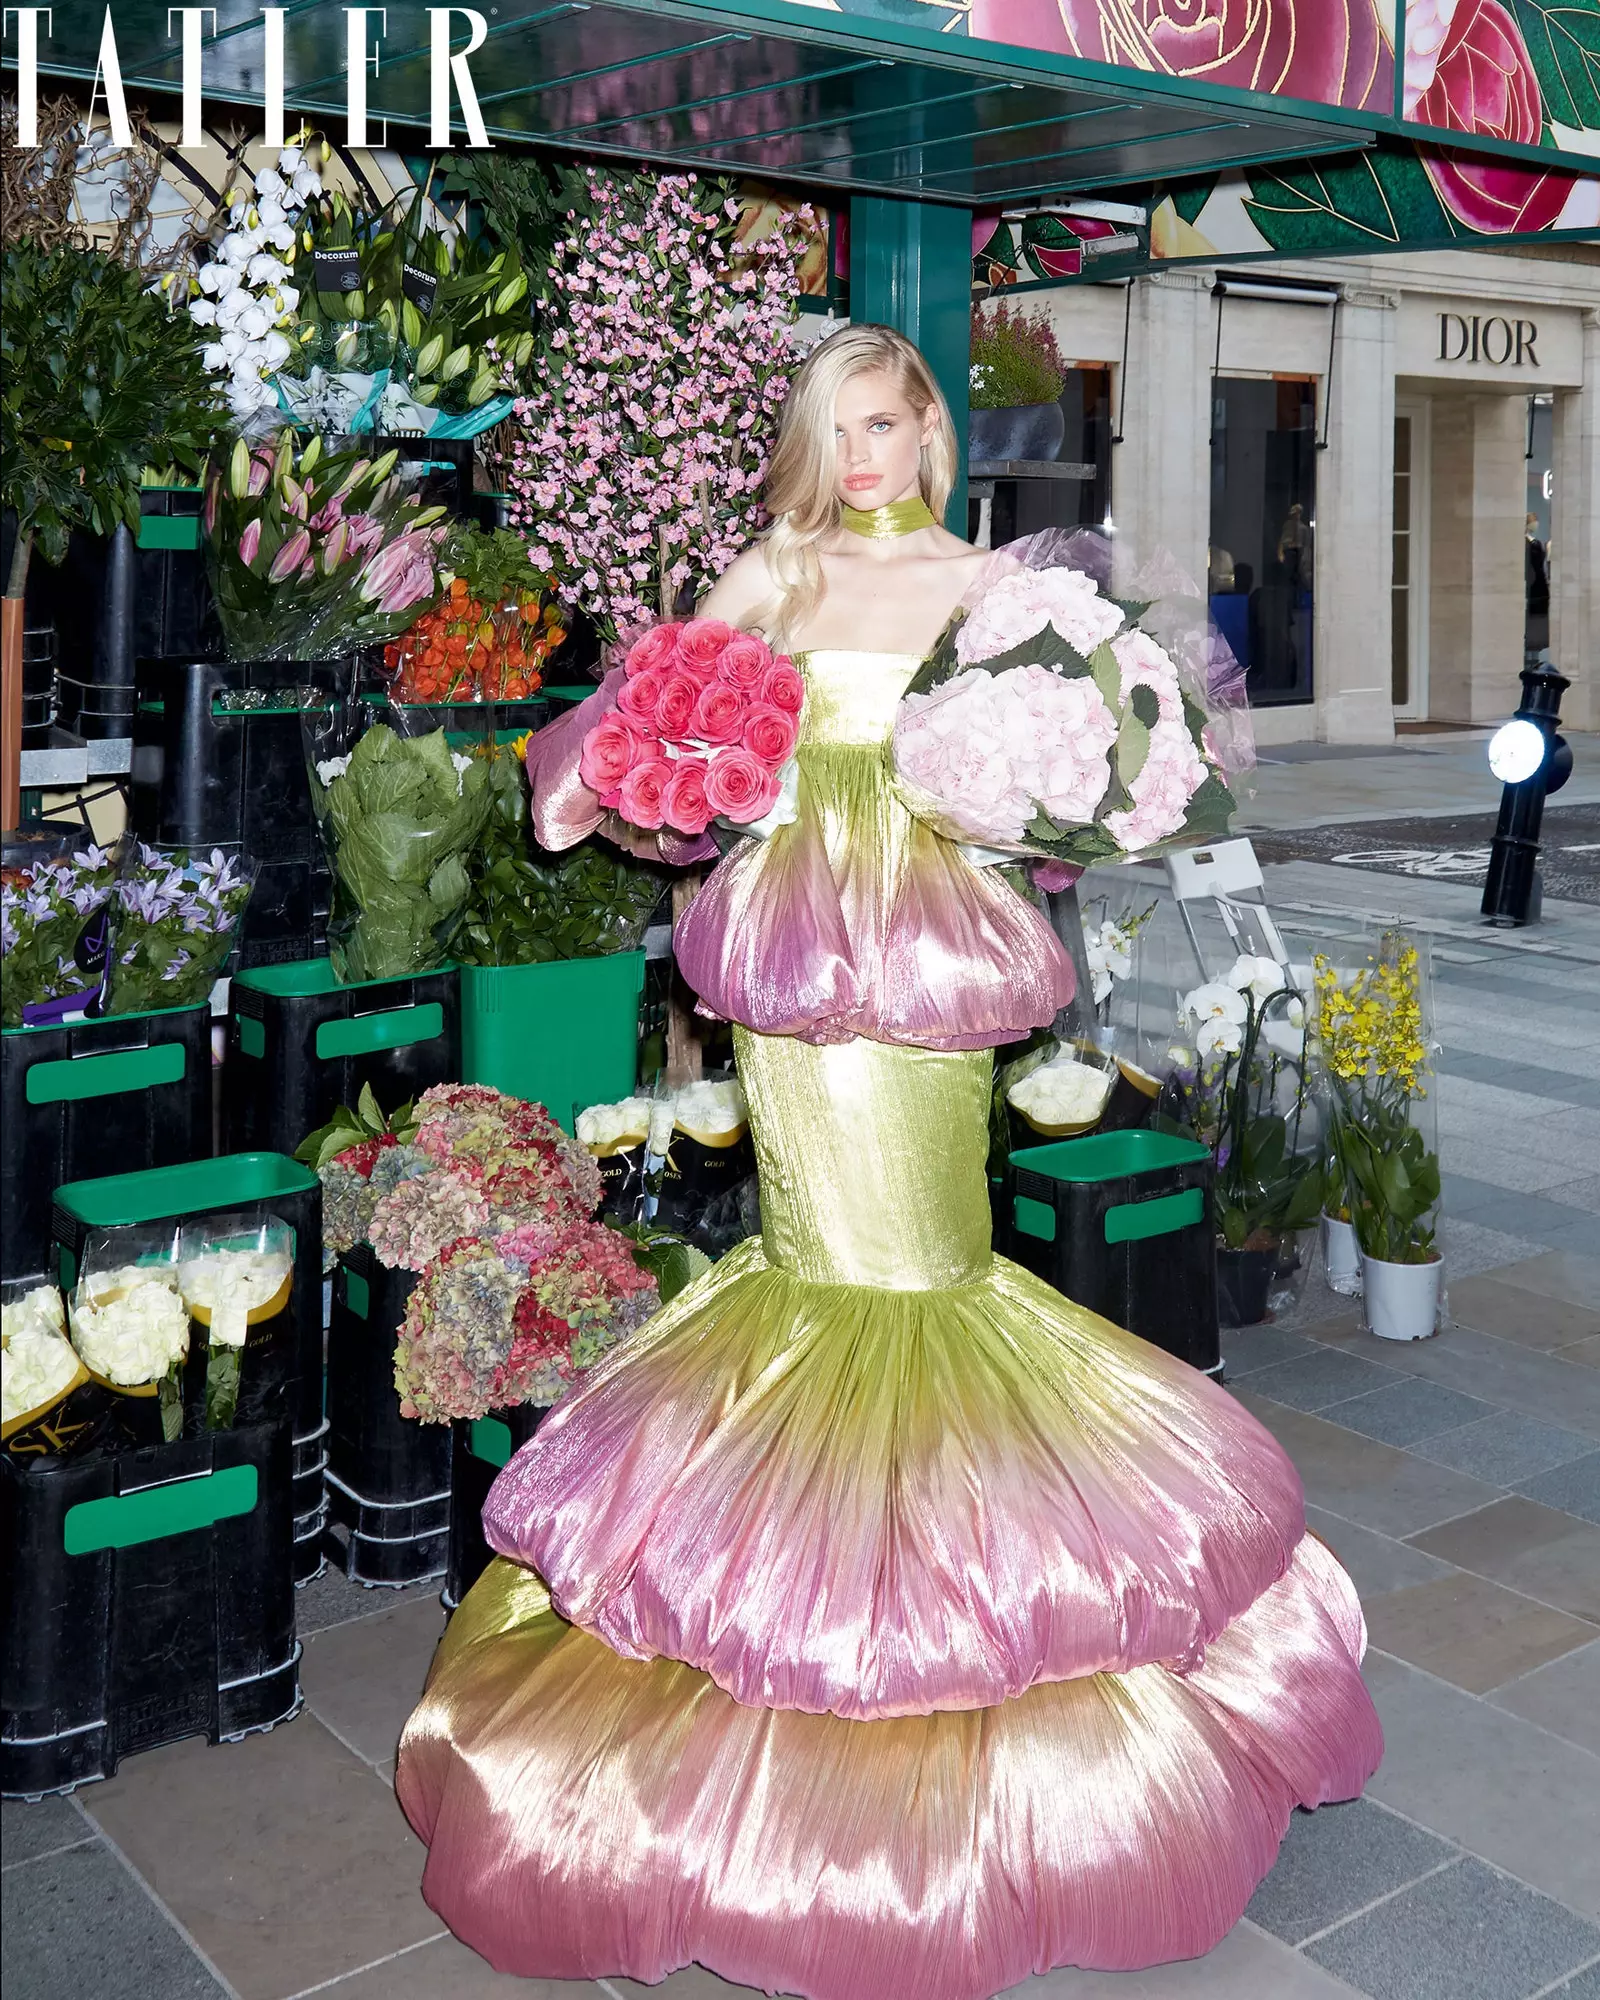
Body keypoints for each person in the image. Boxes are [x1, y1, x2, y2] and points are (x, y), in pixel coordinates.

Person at [395, 325, 1380, 1999]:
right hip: (793, 973)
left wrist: (1077, 790)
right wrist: (644, 767)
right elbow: (630, 742)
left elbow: (1092, 765)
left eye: (892, 419)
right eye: (839, 425)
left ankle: (942, 1637)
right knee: (817, 1273)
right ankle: (794, 1688)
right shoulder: (764, 568)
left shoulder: (998, 587)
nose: (867, 451)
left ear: (931, 428)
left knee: (926, 1271)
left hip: (927, 974)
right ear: (810, 441)